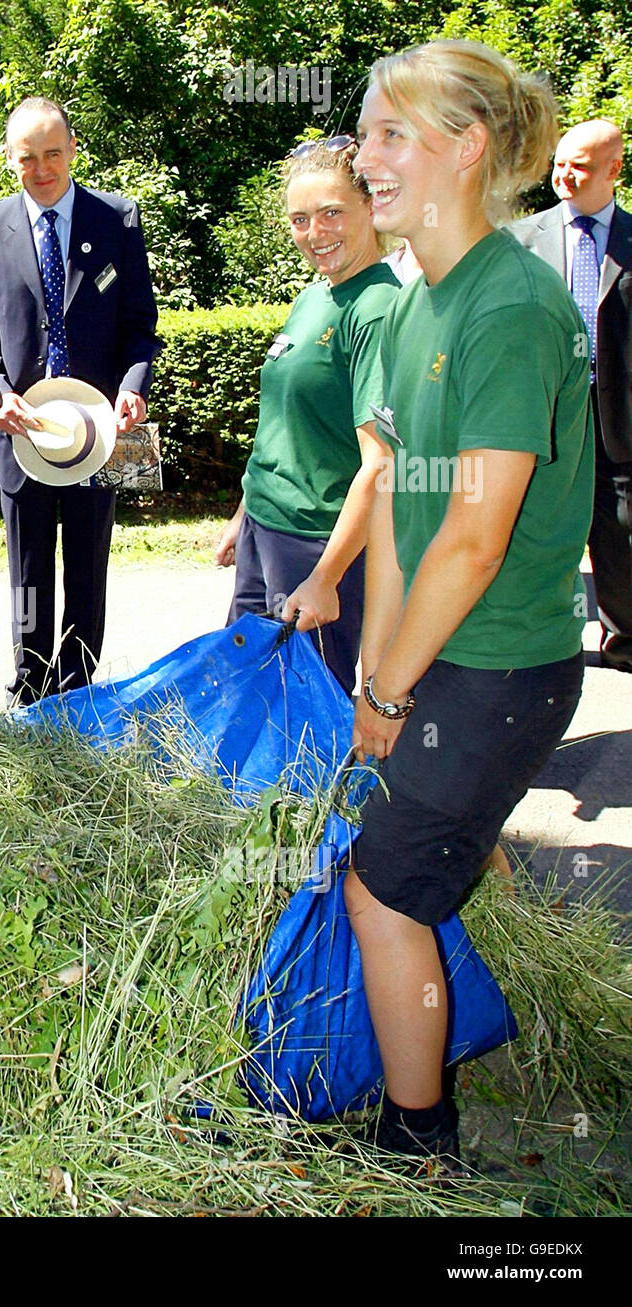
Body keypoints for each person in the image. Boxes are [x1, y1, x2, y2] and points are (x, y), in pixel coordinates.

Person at [346, 40, 592, 1167]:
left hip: (499, 665)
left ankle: (418, 1144)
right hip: (436, 657)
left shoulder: (512, 305)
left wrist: (399, 678)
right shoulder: (411, 309)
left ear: (466, 148)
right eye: (363, 134)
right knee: (418, 866)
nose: (364, 159)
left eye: (390, 135)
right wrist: (375, 673)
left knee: (383, 889)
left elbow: (476, 536)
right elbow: (403, 513)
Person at [0, 97, 161, 705]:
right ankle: (28, 685)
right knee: (26, 569)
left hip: (102, 434)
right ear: (10, 159)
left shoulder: (119, 219)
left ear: (73, 149)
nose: (42, 168)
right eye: (28, 157)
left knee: (87, 562)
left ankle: (78, 687)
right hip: (21, 432)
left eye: (53, 153)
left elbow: (141, 327)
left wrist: (133, 389)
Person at [215, 137, 399, 694]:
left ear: (370, 207)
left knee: (305, 712)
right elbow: (282, 426)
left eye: (332, 213)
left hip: (316, 544)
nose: (315, 233)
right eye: (300, 220)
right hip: (265, 530)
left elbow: (382, 463)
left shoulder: (378, 309)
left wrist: (327, 577)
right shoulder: (316, 296)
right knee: (246, 691)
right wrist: (243, 515)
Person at [511, 120, 632, 673]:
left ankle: (623, 641)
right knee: (535, 525)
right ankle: (537, 638)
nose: (564, 175)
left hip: (617, 419)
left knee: (620, 531)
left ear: (614, 169)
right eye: (560, 162)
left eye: (579, 165)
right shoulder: (520, 240)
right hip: (543, 413)